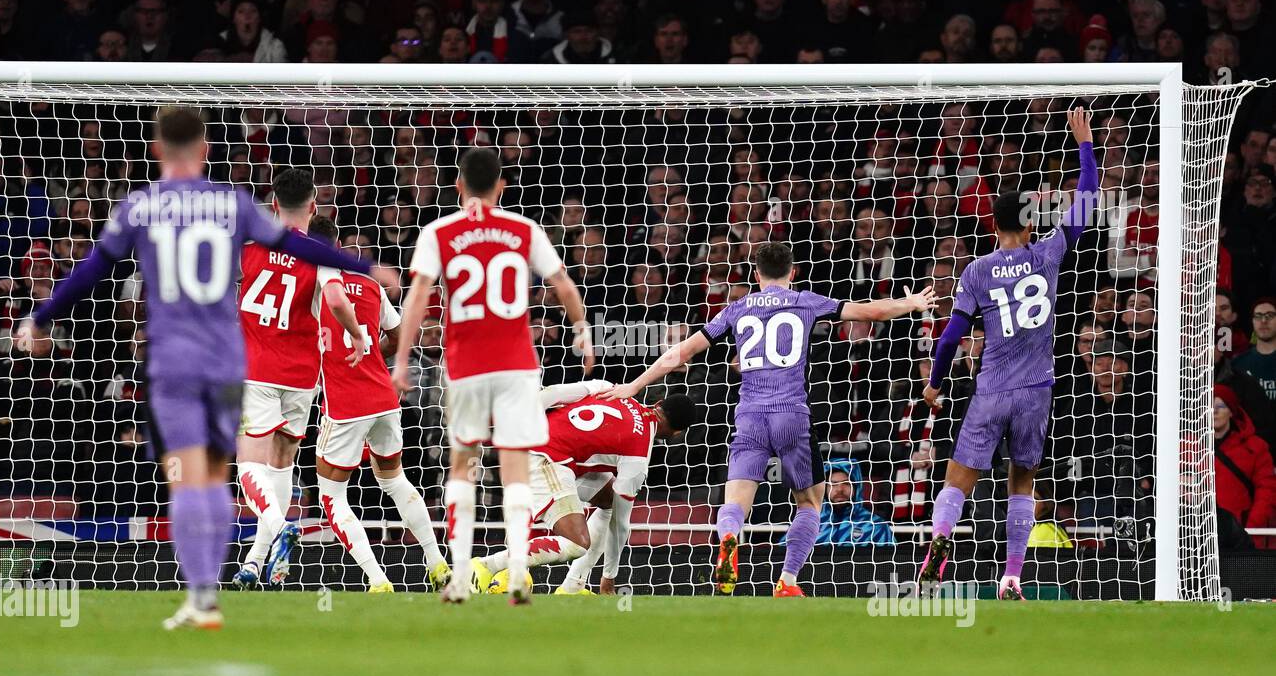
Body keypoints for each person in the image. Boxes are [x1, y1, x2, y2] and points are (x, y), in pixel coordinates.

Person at [16, 106, 392, 629]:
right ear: (206, 149)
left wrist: (40, 317)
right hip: (226, 360)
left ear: (155, 150)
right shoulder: (230, 205)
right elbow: (294, 242)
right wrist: (366, 267)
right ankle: (236, 570)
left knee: (192, 476)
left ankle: (204, 597)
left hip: (173, 361)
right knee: (216, 476)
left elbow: (89, 273)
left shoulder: (141, 208)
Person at [604, 240, 934, 597]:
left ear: (756, 274)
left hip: (750, 417)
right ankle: (787, 582)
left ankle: (729, 540)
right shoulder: (805, 300)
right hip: (791, 414)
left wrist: (635, 385)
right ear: (793, 273)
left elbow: (682, 352)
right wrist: (912, 303)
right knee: (809, 503)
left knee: (734, 502)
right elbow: (871, 312)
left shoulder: (737, 308)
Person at [390, 147, 594, 604]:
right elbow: (562, 283)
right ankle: (518, 572)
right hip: (518, 365)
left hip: (465, 367)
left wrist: (402, 359)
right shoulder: (523, 229)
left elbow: (419, 295)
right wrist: (582, 332)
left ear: (458, 186)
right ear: (501, 186)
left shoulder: (439, 232)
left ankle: (461, 576)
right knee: (516, 465)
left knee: (462, 465)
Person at [920, 106, 1098, 601]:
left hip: (992, 389)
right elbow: (1086, 199)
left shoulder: (976, 271)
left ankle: (939, 541)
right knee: (1022, 484)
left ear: (994, 224)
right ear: (1030, 221)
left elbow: (953, 335)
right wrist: (1084, 143)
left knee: (958, 479)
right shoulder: (1049, 253)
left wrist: (935, 383)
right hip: (1036, 392)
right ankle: (1012, 577)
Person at [231, 170, 366, 590]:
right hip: (303, 376)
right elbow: (337, 299)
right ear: (313, 207)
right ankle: (256, 561)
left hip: (256, 369)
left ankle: (277, 524)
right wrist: (357, 333)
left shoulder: (251, 243)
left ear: (274, 206)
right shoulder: (321, 253)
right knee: (282, 463)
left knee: (248, 464)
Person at [309, 216, 450, 593]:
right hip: (383, 398)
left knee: (331, 494)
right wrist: (373, 354)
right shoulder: (370, 285)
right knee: (394, 480)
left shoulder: (314, 285)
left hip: (344, 405)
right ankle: (437, 564)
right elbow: (398, 333)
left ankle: (377, 579)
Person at [469, 380, 697, 595]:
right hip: (543, 458)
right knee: (578, 543)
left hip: (536, 446)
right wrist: (609, 576)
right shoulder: (638, 459)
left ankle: (572, 586)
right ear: (677, 433)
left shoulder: (610, 389)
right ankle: (486, 566)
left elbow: (553, 393)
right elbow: (620, 525)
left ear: (657, 404)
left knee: (607, 500)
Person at [1214, 384, 1276, 536]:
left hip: (1243, 533)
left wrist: (1250, 526)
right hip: (1199, 536)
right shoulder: (1188, 446)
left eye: (1221, 405)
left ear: (1232, 411)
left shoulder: (1255, 447)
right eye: (1209, 405)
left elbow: (1267, 490)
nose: (1214, 411)